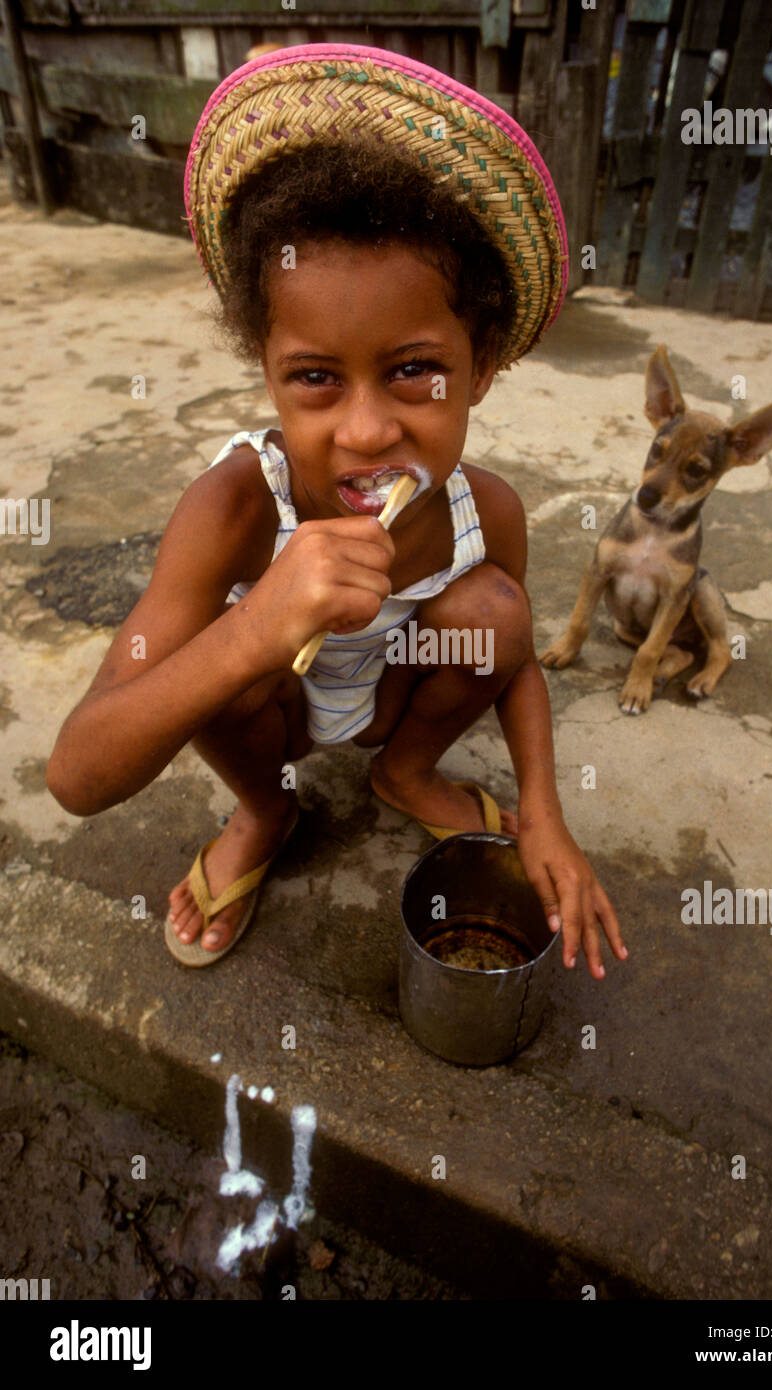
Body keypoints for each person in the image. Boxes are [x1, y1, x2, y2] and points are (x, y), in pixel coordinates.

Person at [46, 43, 626, 978]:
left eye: (412, 371)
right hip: (279, 722)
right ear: (266, 375)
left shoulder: (488, 511)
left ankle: (403, 772)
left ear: (480, 366)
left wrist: (546, 813)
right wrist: (256, 629)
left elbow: (512, 661)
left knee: (493, 611)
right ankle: (268, 810)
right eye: (316, 378)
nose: (365, 431)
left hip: (398, 699)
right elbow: (77, 776)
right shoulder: (237, 504)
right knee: (213, 663)